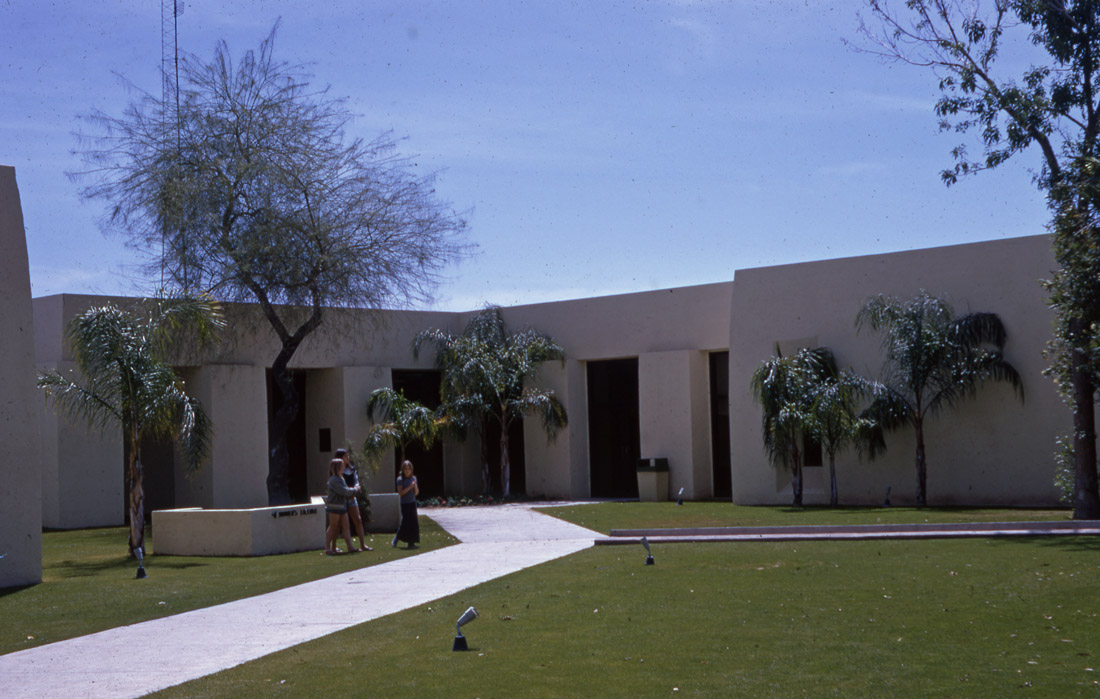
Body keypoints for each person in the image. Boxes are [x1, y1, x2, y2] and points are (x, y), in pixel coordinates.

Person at [336, 448, 372, 552]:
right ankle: (339, 546)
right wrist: (352, 490)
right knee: (340, 523)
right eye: (346, 456)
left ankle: (362, 544)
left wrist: (356, 487)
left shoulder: (351, 469)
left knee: (358, 520)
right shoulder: (338, 470)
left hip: (352, 498)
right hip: (342, 499)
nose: (348, 458)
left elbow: (356, 481)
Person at [324, 457, 361, 555]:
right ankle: (327, 548)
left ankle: (350, 546)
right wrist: (355, 489)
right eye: (341, 466)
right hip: (334, 507)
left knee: (346, 526)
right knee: (333, 526)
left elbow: (345, 492)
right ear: (336, 468)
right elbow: (343, 491)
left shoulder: (341, 478)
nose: (344, 467)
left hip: (342, 506)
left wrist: (352, 492)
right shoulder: (334, 480)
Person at [392, 459, 420, 549]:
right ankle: (397, 538)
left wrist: (414, 486)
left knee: (413, 522)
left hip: (412, 502)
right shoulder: (400, 479)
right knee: (406, 522)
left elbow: (416, 493)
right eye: (406, 469)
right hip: (405, 503)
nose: (407, 470)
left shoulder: (414, 478)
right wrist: (409, 487)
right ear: (403, 470)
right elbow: (400, 493)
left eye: (409, 468)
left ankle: (411, 542)